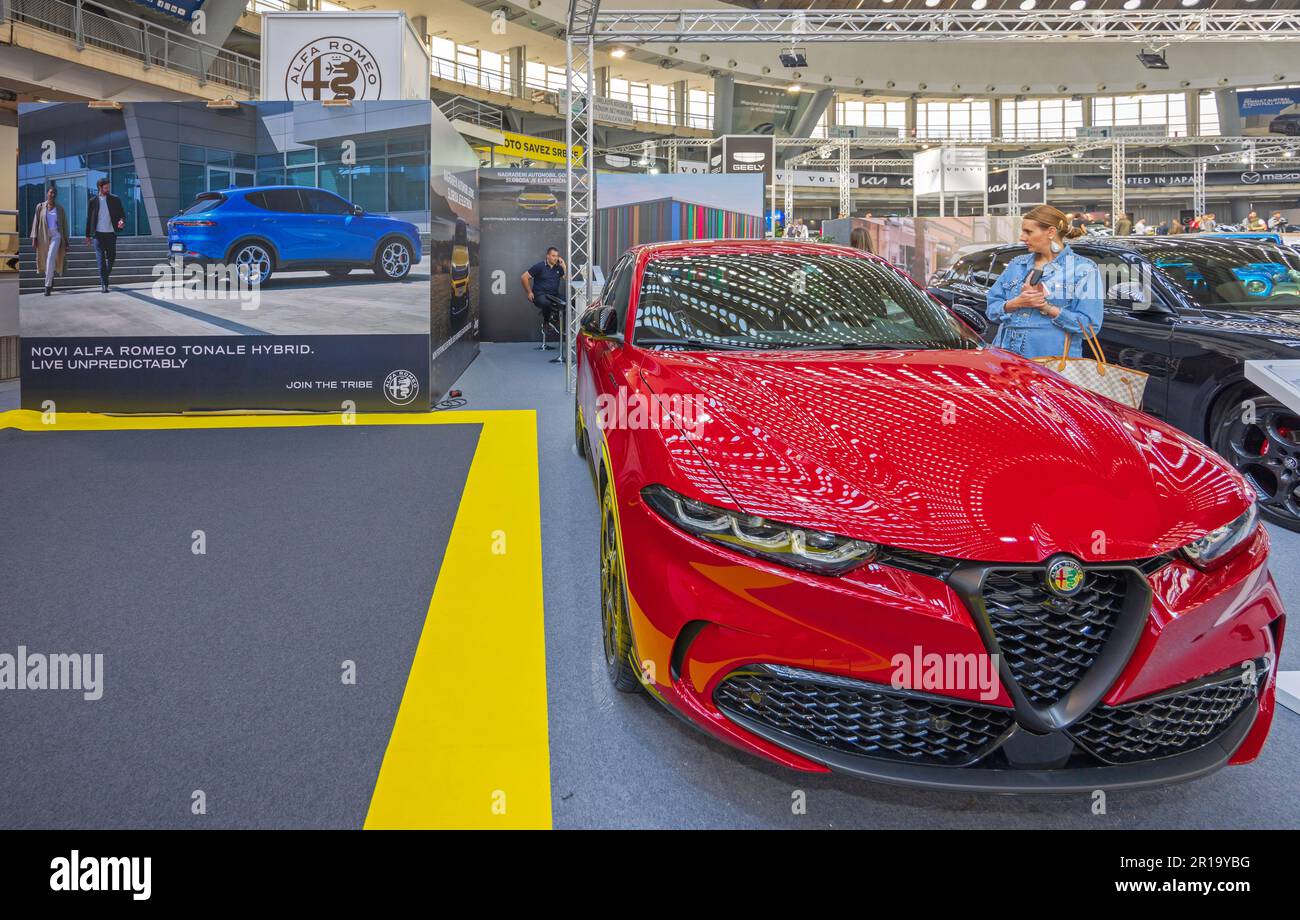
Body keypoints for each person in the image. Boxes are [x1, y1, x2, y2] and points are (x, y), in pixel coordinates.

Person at [985, 204, 1103, 360]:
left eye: (1028, 232)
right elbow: (991, 310)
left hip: (1052, 364)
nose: (1022, 237)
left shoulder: (1083, 269)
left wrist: (1045, 307)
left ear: (1051, 232)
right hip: (1006, 359)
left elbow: (1089, 328)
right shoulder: (1016, 264)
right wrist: (1016, 303)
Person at [85, 176, 126, 293]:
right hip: (98, 234)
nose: (108, 189)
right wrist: (87, 235)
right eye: (106, 187)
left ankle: (104, 277)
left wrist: (121, 220)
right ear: (100, 187)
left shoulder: (115, 199)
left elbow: (122, 214)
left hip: (111, 233)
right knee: (101, 259)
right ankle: (104, 284)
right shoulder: (93, 201)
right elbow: (89, 218)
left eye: (108, 187)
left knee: (112, 257)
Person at [30, 184, 68, 297]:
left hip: (56, 236)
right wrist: (34, 238)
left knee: (51, 258)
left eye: (54, 193)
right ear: (47, 193)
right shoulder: (40, 207)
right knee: (46, 260)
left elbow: (64, 225)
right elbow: (35, 223)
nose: (52, 194)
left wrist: (66, 240)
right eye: (50, 192)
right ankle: (50, 277)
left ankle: (47, 286)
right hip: (43, 237)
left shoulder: (60, 209)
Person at [521, 245, 567, 321]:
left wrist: (564, 266)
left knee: (571, 301)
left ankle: (556, 319)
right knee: (546, 303)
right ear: (547, 256)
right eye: (553, 256)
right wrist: (529, 292)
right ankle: (547, 321)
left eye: (557, 256)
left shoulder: (559, 267)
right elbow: (524, 277)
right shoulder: (539, 266)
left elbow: (567, 279)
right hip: (540, 294)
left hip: (554, 295)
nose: (555, 258)